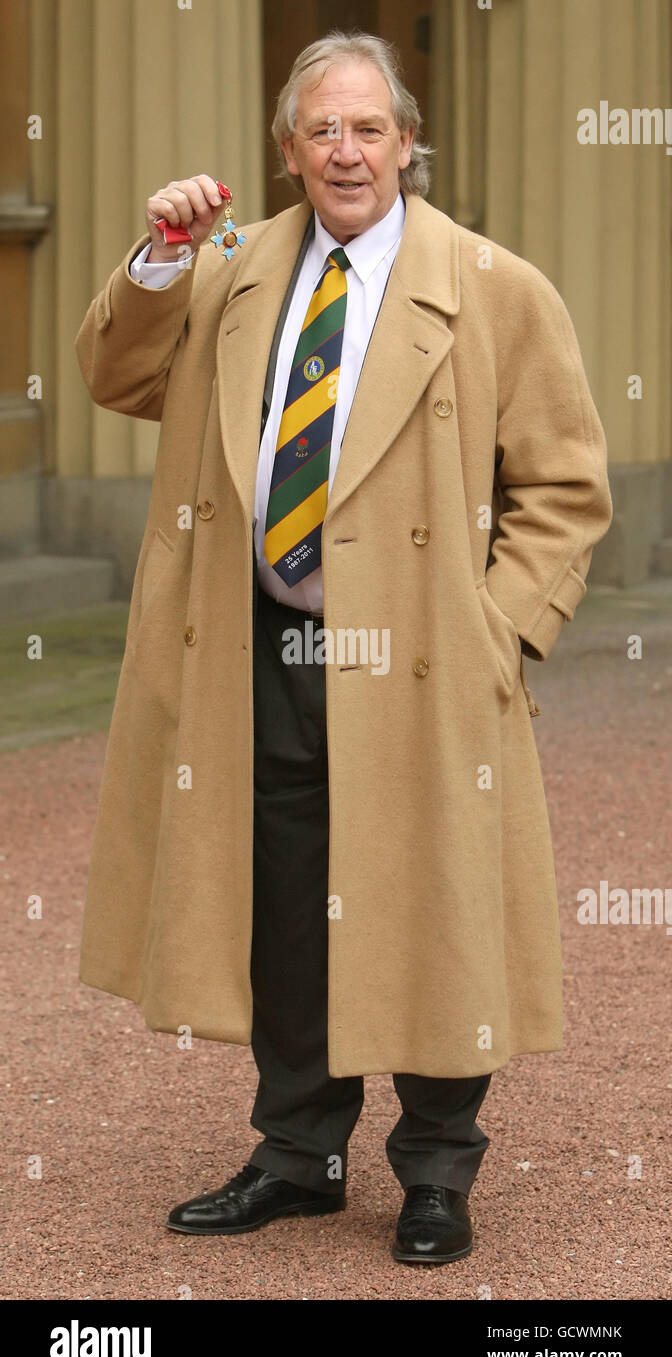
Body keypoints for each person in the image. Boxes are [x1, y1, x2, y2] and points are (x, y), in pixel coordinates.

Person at [75, 30, 612, 1266]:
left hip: (417, 653)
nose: (347, 150)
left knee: (433, 894)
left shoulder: (494, 285)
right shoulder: (224, 269)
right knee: (280, 901)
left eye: (370, 128)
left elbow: (565, 489)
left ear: (409, 144)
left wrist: (497, 633)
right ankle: (300, 1154)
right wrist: (159, 255)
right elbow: (114, 372)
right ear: (288, 151)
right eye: (324, 130)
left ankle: (434, 1172)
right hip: (265, 641)